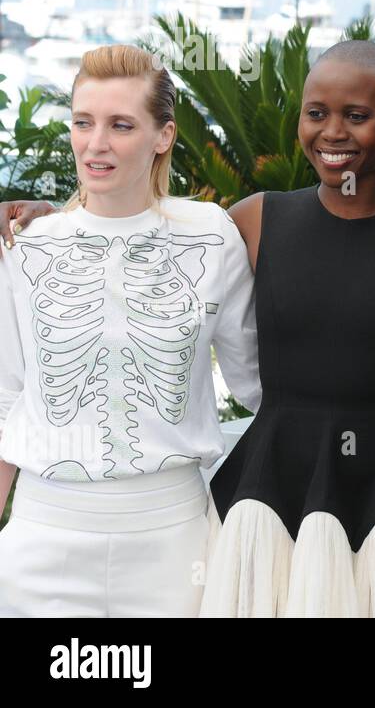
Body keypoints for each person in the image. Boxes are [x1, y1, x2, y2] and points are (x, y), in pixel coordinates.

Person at [0, 45, 261, 616]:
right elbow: (6, 397)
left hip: (175, 543)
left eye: (121, 125)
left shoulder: (212, 235)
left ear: (163, 136)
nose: (96, 144)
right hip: (42, 536)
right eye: (83, 123)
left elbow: (259, 384)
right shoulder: (24, 245)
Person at [200, 39, 375, 617]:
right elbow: (154, 251)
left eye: (356, 116)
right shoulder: (259, 218)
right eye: (317, 113)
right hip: (271, 485)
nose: (332, 132)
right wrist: (54, 216)